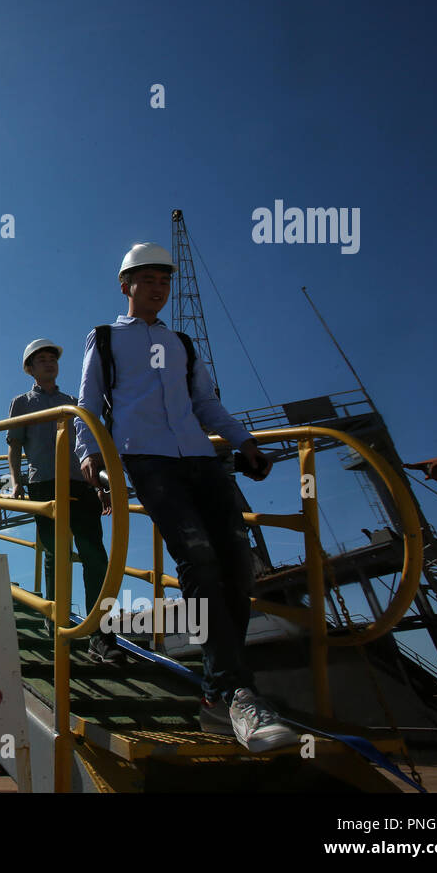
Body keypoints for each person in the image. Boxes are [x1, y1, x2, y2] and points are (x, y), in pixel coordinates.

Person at [75, 242, 297, 752]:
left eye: (164, 281)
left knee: (239, 561)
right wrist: (90, 452)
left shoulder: (182, 344)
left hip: (200, 458)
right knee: (196, 555)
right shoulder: (106, 338)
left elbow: (207, 403)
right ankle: (236, 692)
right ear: (126, 284)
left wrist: (245, 443)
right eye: (148, 278)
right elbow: (88, 401)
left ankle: (220, 697)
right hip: (146, 457)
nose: (159, 288)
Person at [7, 340, 124, 663]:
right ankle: (55, 615)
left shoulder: (73, 403)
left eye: (51, 359)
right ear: (29, 368)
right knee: (55, 552)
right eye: (41, 360)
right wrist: (16, 482)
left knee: (95, 556)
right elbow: (14, 445)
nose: (49, 364)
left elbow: (89, 448)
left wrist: (101, 485)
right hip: (43, 484)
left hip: (80, 484)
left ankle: (101, 634)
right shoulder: (22, 403)